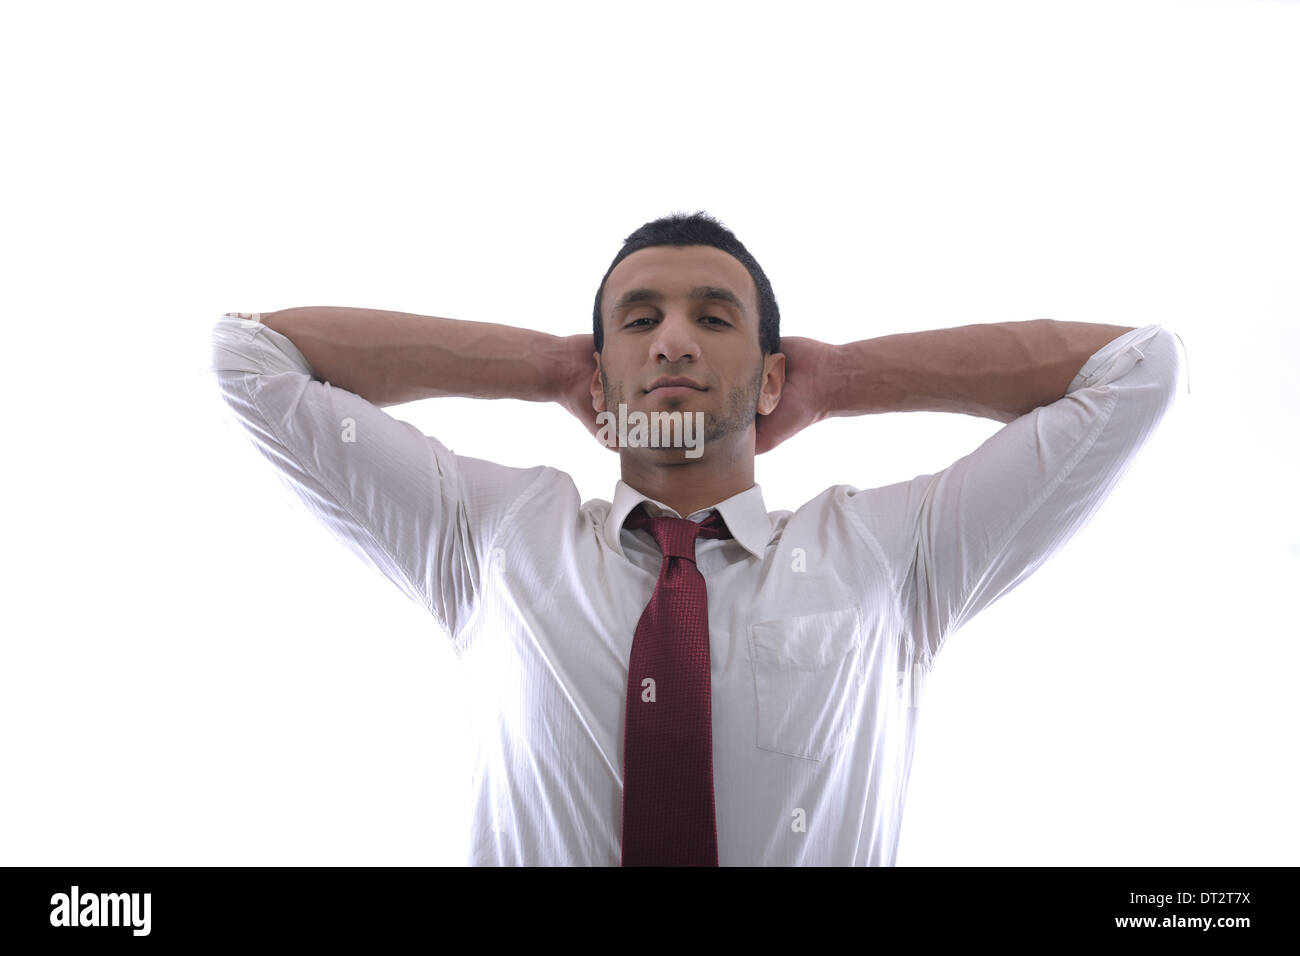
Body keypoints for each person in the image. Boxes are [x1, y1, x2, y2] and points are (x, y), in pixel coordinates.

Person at [209, 210, 1185, 865]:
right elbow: (251, 357)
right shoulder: (498, 536)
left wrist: (839, 377)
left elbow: (1133, 371)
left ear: (768, 375)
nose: (672, 339)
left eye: (712, 319)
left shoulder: (891, 554)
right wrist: (550, 366)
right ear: (601, 377)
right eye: (640, 320)